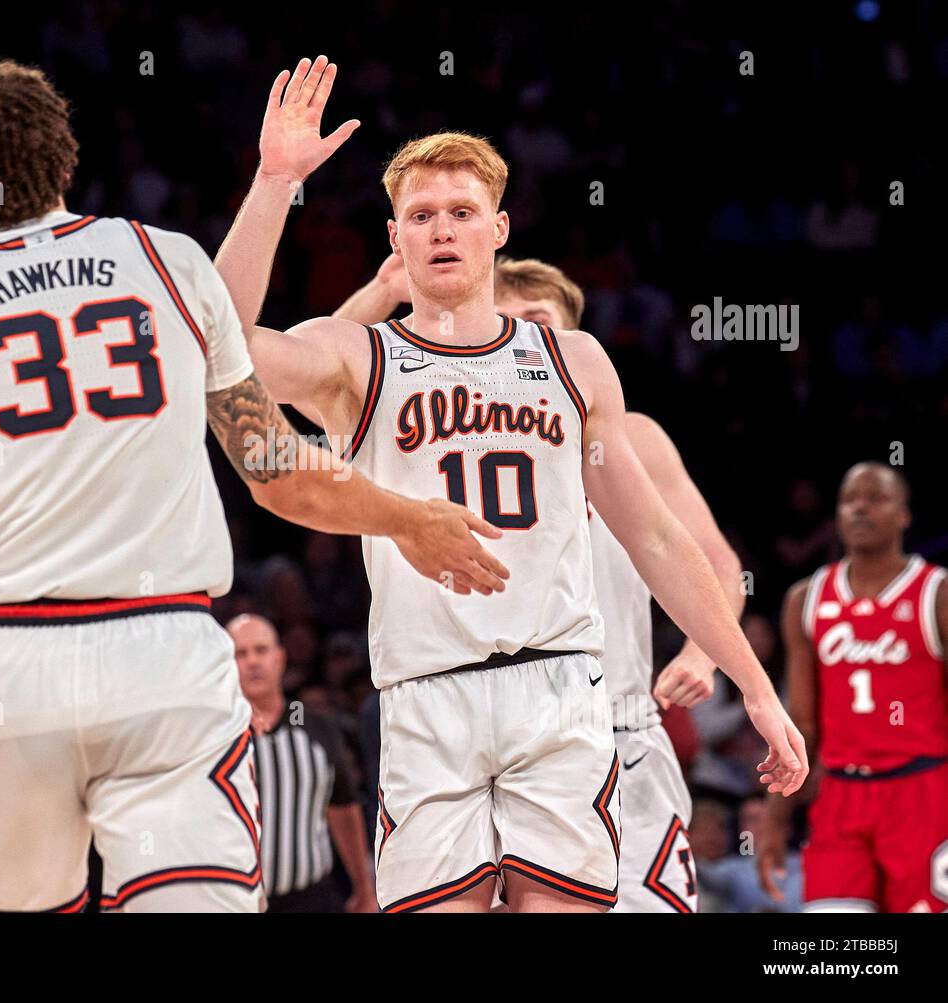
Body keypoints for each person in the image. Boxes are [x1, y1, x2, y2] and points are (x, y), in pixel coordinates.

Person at [0, 58, 507, 915]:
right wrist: (407, 516)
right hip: (164, 655)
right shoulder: (162, 262)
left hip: (8, 664)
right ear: (65, 159)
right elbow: (277, 470)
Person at [214, 55, 806, 912]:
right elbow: (221, 345)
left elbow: (655, 537)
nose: (442, 228)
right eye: (421, 215)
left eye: (461, 211)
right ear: (396, 239)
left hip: (559, 686)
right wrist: (273, 183)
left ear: (499, 228)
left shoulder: (573, 361)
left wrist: (754, 682)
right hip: (424, 689)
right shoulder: (357, 355)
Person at [335, 253, 746, 913]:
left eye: (539, 321)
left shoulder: (631, 435)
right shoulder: (444, 427)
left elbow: (719, 565)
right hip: (481, 719)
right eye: (511, 318)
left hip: (617, 720)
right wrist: (383, 292)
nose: (523, 332)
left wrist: (704, 650)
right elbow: (309, 387)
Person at [760, 462, 948, 912]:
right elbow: (801, 722)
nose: (860, 508)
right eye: (849, 500)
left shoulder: (936, 594)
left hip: (924, 794)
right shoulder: (806, 598)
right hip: (840, 798)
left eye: (875, 498)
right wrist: (773, 818)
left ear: (904, 514)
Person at [228, 614, 376, 912]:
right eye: (240, 654)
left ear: (280, 657)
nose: (253, 661)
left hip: (310, 899)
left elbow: (344, 809)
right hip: (232, 898)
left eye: (261, 650)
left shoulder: (316, 728)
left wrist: (364, 887)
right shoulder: (212, 736)